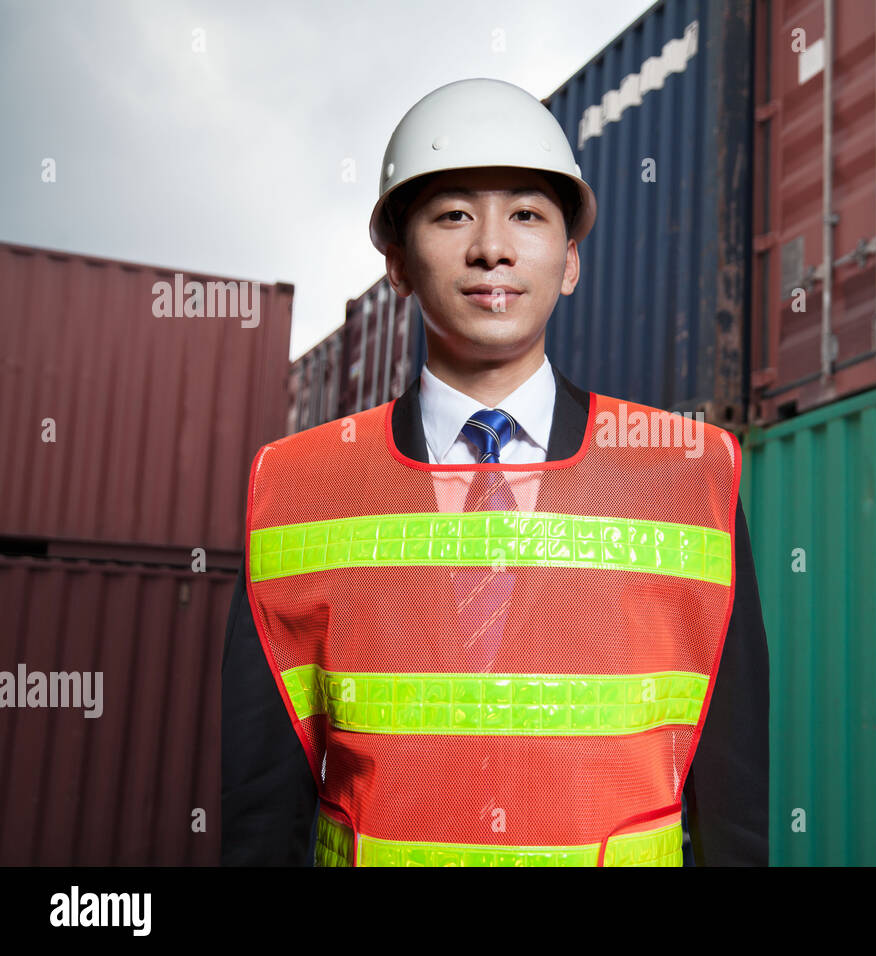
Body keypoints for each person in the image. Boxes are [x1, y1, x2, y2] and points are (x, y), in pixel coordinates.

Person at [220, 77, 768, 866]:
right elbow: (260, 809)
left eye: (527, 215)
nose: (492, 247)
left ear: (570, 262)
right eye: (452, 215)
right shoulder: (297, 487)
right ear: (399, 266)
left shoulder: (689, 476)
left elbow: (737, 802)